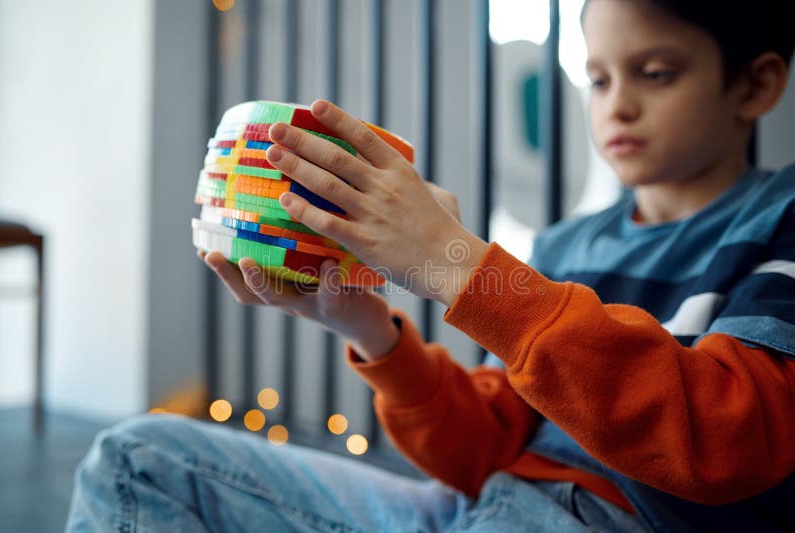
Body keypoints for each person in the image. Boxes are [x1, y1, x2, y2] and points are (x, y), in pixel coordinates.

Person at [67, 0, 795, 531]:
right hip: (484, 506)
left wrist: (456, 262)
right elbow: (488, 446)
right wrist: (362, 323)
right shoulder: (566, 246)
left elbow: (731, 438)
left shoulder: (778, 221)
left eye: (656, 72)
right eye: (598, 80)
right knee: (135, 457)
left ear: (755, 86)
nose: (618, 105)